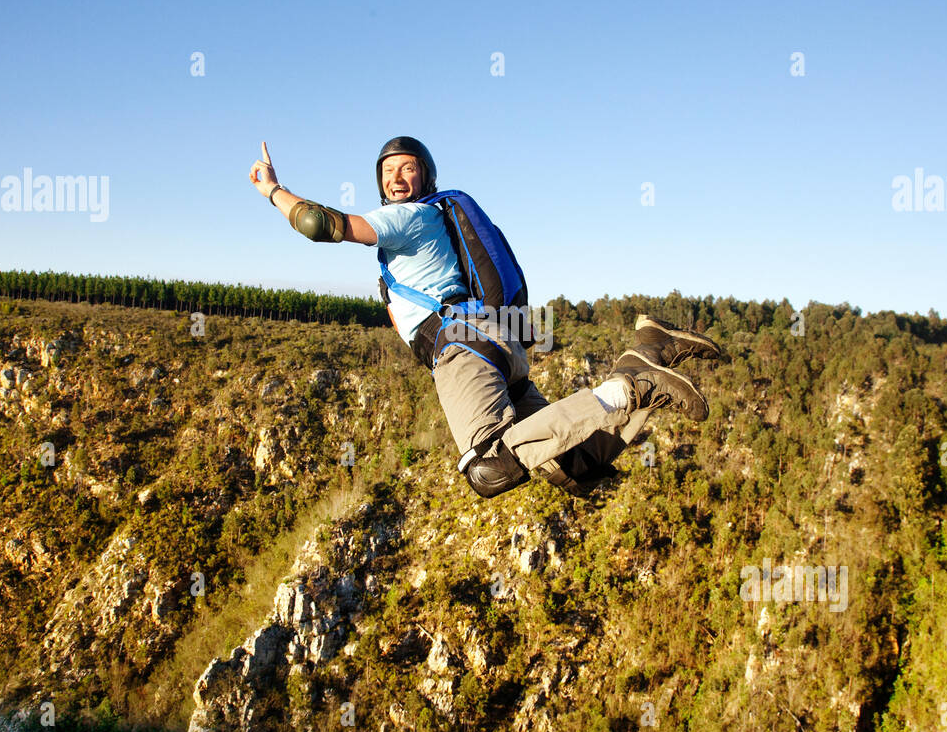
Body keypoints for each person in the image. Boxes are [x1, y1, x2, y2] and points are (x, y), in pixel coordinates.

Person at [249, 136, 723, 499]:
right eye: (388, 170)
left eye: (407, 169)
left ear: (424, 178)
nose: (396, 178)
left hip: (462, 342)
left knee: (489, 466)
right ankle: (650, 349)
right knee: (574, 466)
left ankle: (630, 384)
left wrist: (273, 190)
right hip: (496, 343)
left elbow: (320, 225)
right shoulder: (430, 224)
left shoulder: (405, 217)